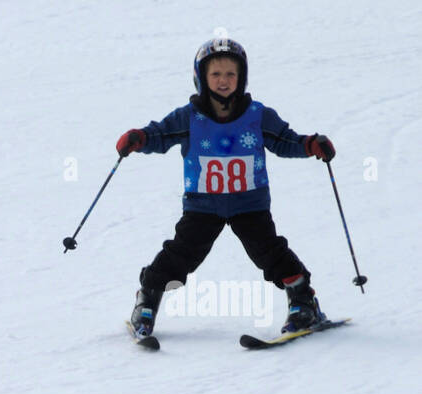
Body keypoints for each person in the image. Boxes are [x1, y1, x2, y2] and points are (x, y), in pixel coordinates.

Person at [116, 38, 336, 338]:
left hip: (250, 203)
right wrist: (139, 138)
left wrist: (310, 145)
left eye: (231, 74)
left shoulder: (257, 115)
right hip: (202, 206)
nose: (223, 81)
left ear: (241, 78)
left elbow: (285, 140)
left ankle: (302, 301)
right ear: (201, 78)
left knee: (270, 252)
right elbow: (160, 135)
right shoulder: (189, 117)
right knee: (181, 254)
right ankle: (147, 301)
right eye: (216, 74)